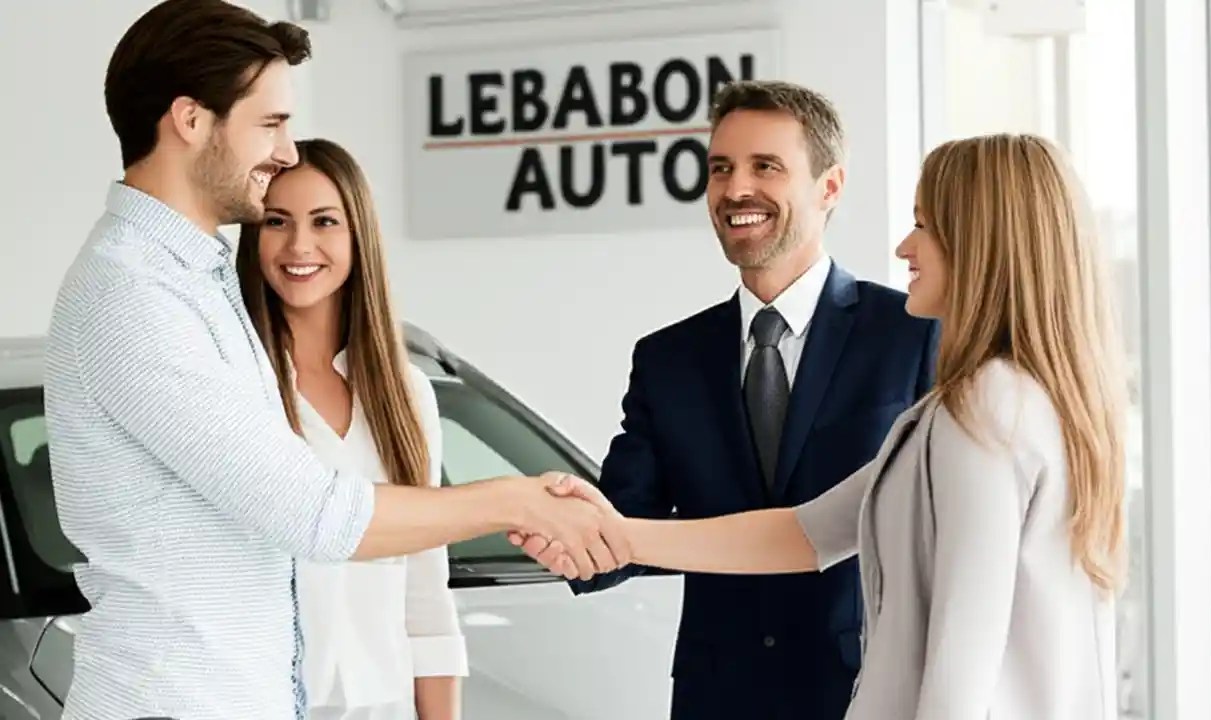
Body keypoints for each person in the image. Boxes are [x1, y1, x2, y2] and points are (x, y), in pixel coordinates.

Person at [42, 2, 627, 719]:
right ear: (192, 121)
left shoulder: (193, 280)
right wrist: (513, 498)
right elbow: (313, 515)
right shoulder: (132, 294)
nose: (286, 152)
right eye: (270, 123)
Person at [528, 132, 1129, 720]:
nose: (903, 247)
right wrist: (617, 535)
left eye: (923, 224)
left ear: (982, 243)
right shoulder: (980, 408)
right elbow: (804, 534)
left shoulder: (990, 410)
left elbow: (962, 654)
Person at [516, 80, 940, 720]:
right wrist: (572, 542)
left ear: (829, 187)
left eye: (765, 166)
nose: (736, 189)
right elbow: (630, 524)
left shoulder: (911, 334)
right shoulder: (667, 359)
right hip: (717, 699)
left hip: (868, 696)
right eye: (721, 169)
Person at [235, 138, 467, 719]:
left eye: (324, 222)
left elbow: (426, 596)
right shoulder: (237, 384)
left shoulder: (407, 393)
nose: (299, 246)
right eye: (276, 222)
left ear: (357, 234)